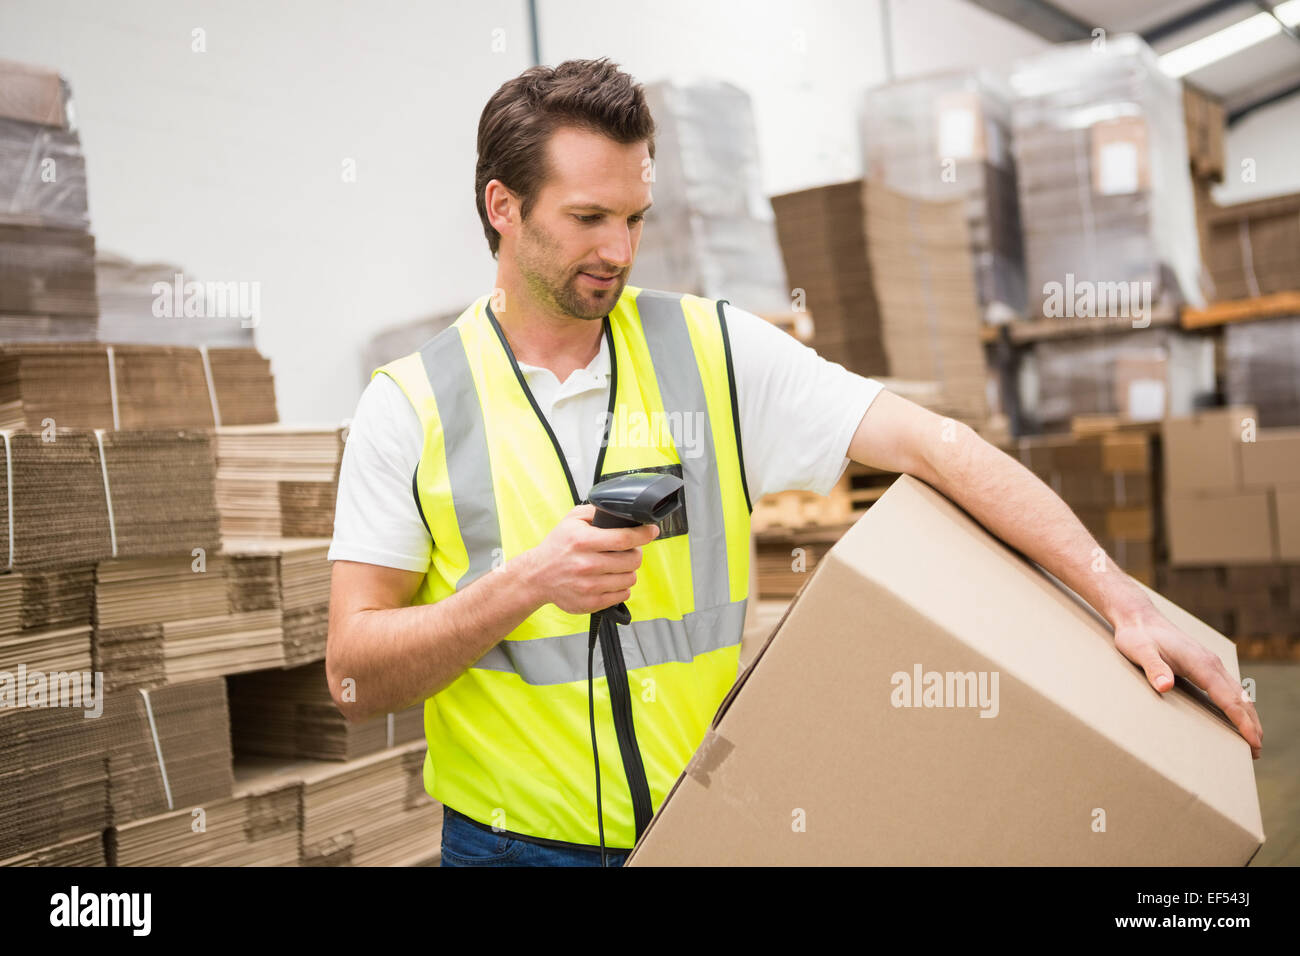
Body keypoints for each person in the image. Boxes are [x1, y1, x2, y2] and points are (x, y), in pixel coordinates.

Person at [325, 57, 1263, 868]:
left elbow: (935, 447)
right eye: (587, 218)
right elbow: (355, 678)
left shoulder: (712, 351)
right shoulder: (410, 406)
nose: (618, 250)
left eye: (636, 217)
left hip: (710, 824)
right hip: (510, 847)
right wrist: (524, 583)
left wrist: (1119, 598)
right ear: (503, 208)